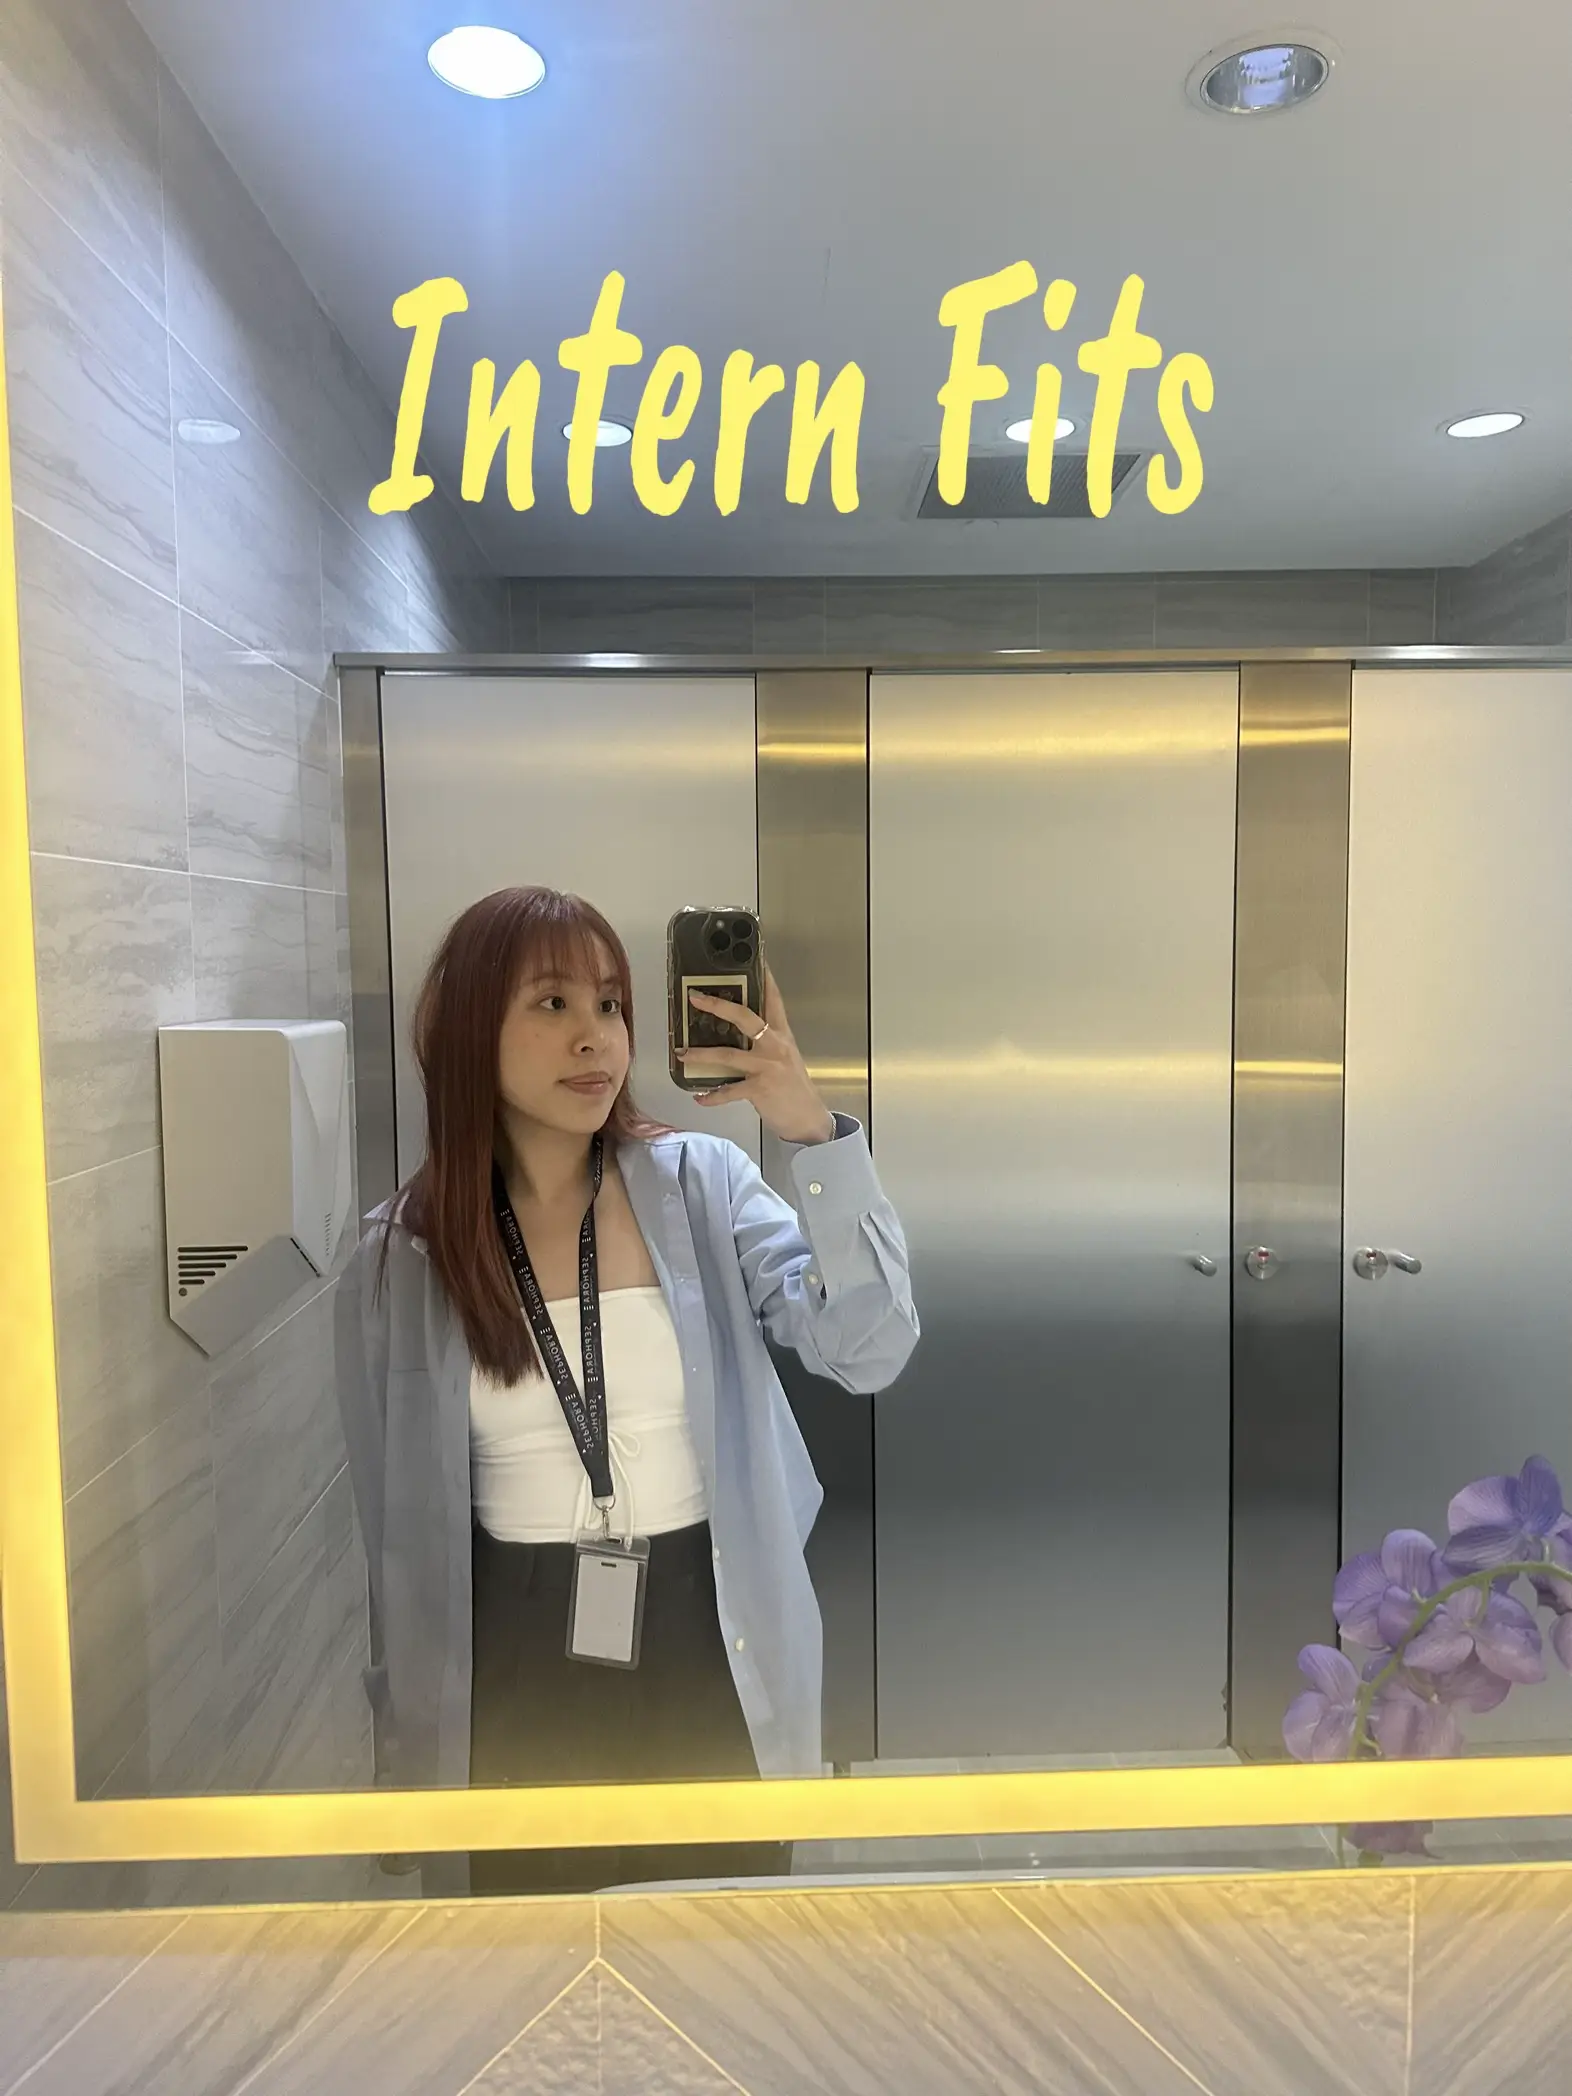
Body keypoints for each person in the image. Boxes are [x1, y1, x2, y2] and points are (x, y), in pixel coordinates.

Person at [335, 885, 918, 1895]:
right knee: (543, 1956)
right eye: (552, 1003)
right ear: (468, 1028)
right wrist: (404, 1762)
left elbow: (870, 1348)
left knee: (720, 1943)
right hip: (511, 1642)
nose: (594, 1037)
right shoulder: (403, 1255)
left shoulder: (704, 1185)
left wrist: (813, 1134)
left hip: (710, 1618)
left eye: (610, 1004)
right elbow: (394, 1537)